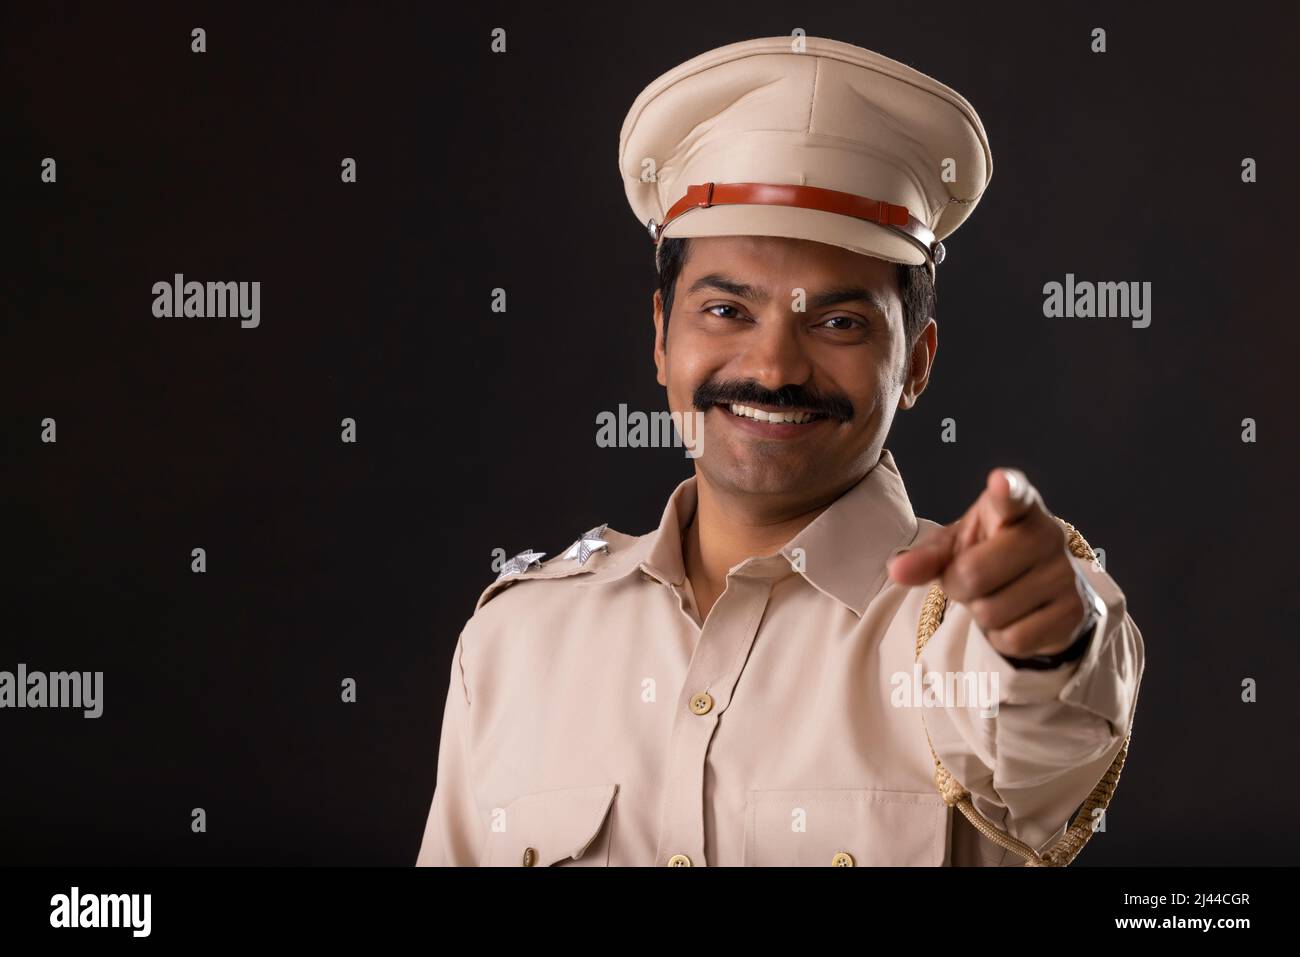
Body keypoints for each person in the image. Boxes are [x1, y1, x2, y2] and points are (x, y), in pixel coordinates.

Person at [416, 34, 1144, 867]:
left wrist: (1051, 637)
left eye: (839, 323)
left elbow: (1043, 719)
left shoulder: (964, 633)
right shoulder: (518, 641)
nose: (773, 368)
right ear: (660, 337)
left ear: (917, 363)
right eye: (727, 310)